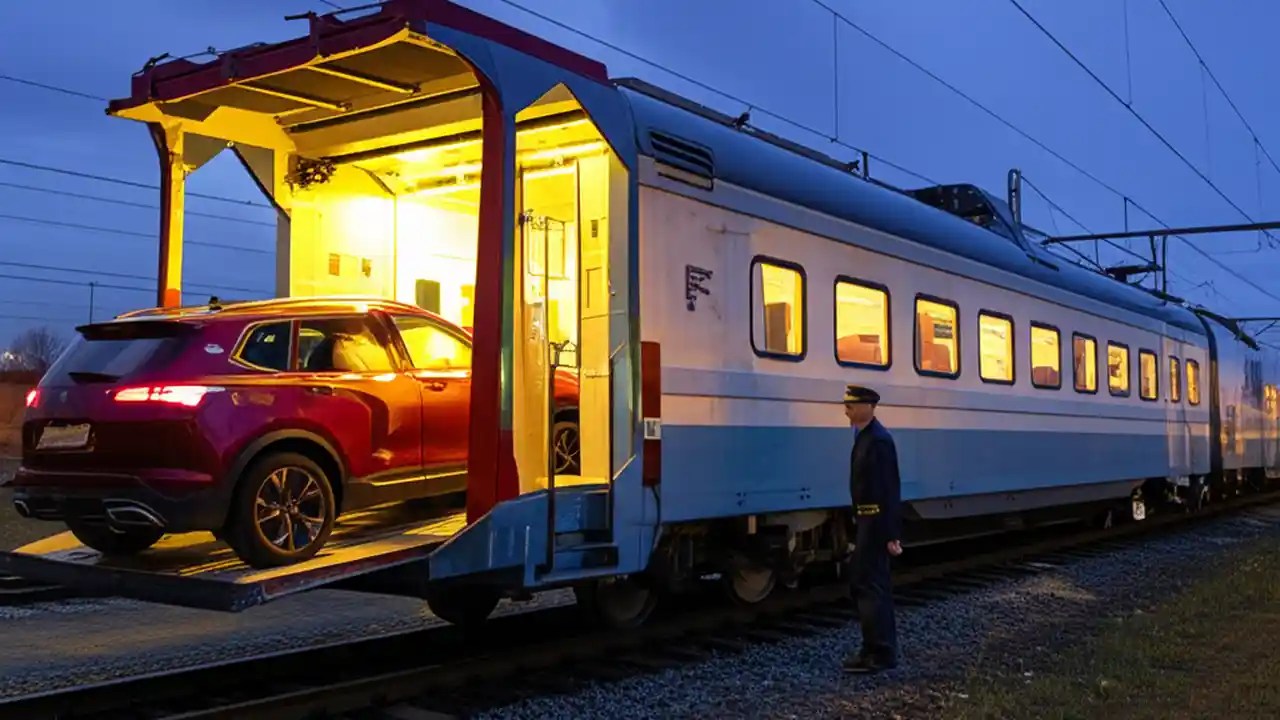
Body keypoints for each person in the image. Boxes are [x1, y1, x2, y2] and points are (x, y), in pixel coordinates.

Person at [841, 384, 902, 674]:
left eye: (851, 405)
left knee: (872, 587)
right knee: (864, 584)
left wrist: (891, 534)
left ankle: (881, 653)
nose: (846, 409)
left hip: (876, 525)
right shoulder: (865, 437)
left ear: (869, 406)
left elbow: (890, 489)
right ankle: (872, 648)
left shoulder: (878, 441)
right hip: (867, 521)